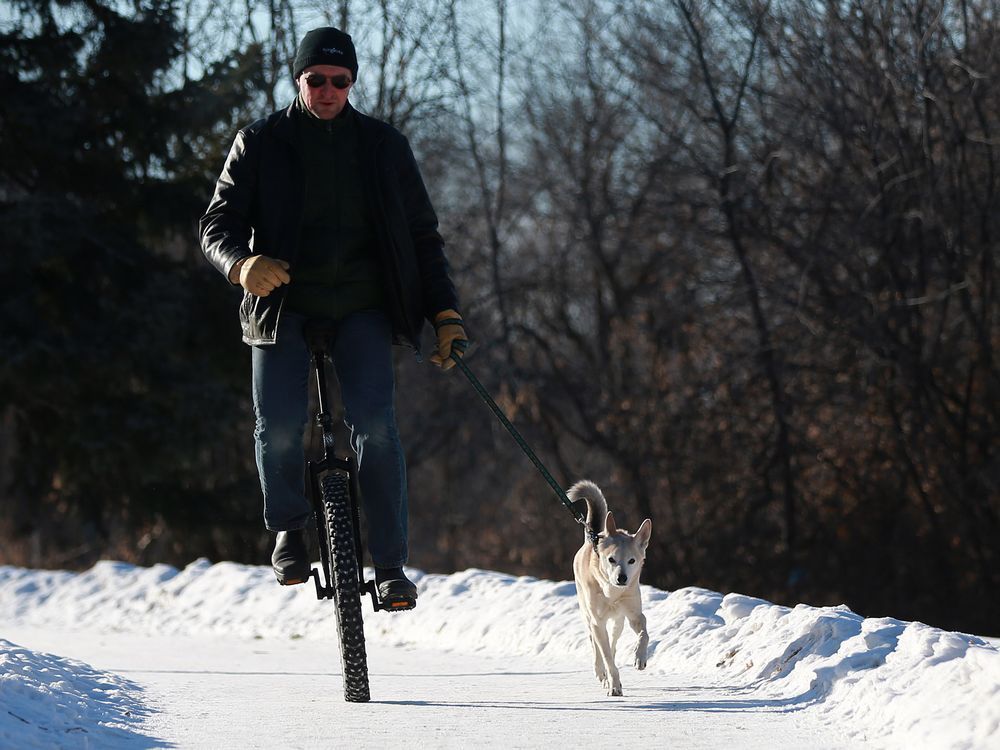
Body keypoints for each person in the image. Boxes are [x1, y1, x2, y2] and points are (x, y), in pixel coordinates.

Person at [199, 26, 466, 610]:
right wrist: (242, 265)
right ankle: (291, 531)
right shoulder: (260, 141)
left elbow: (423, 237)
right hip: (282, 309)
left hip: (364, 309)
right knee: (280, 424)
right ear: (298, 80)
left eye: (339, 81)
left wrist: (444, 313)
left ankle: (392, 567)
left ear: (352, 83)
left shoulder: (383, 146)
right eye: (315, 79)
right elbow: (215, 225)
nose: (327, 90)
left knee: (376, 427)